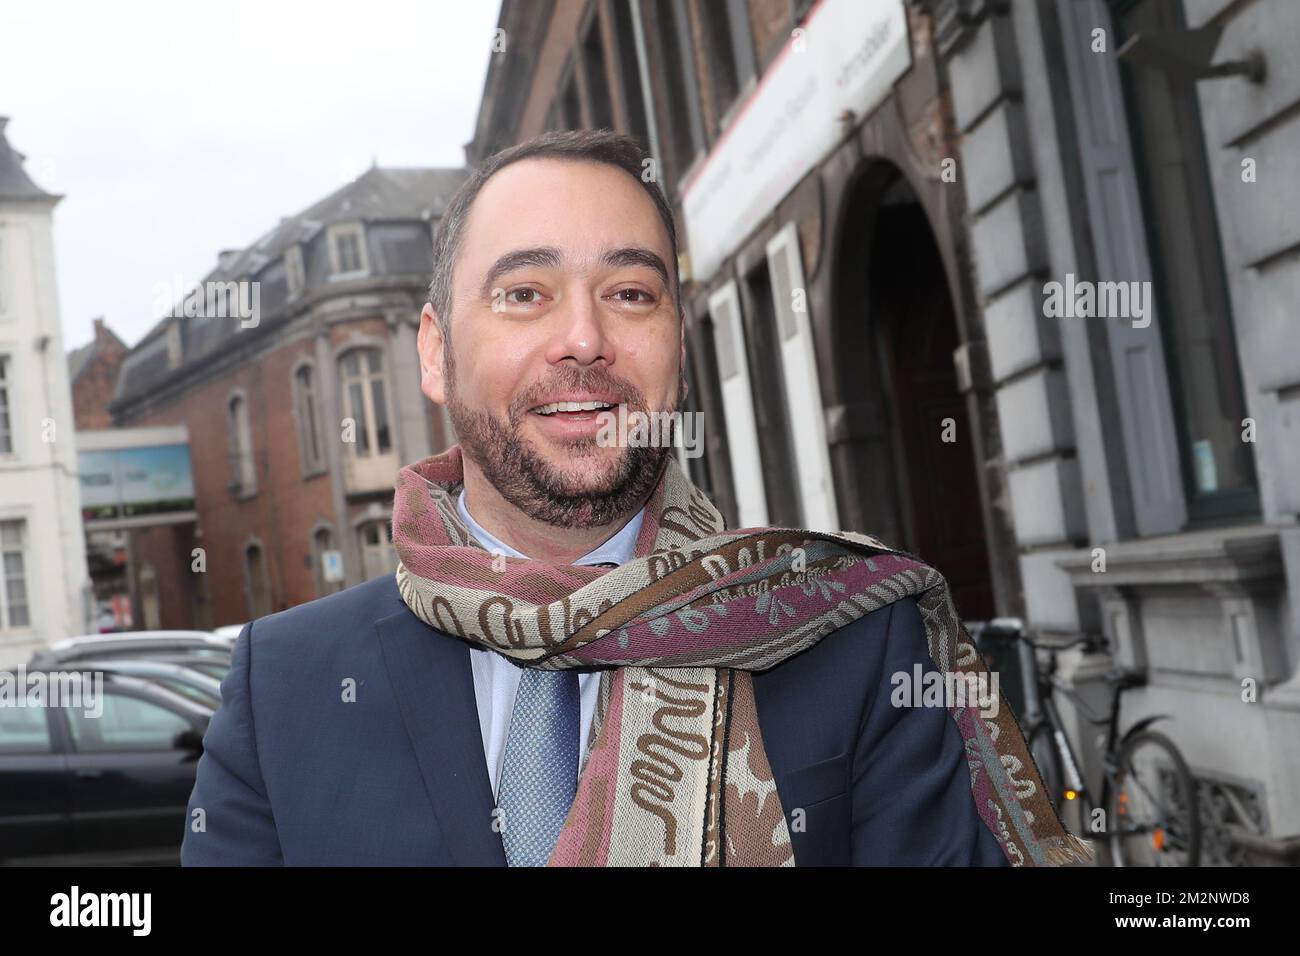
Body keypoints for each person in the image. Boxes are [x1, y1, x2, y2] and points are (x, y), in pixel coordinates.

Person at [181, 129, 1091, 867]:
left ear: (678, 347)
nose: (583, 339)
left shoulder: (854, 640)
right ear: (434, 351)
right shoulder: (286, 687)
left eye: (630, 291)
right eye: (525, 293)